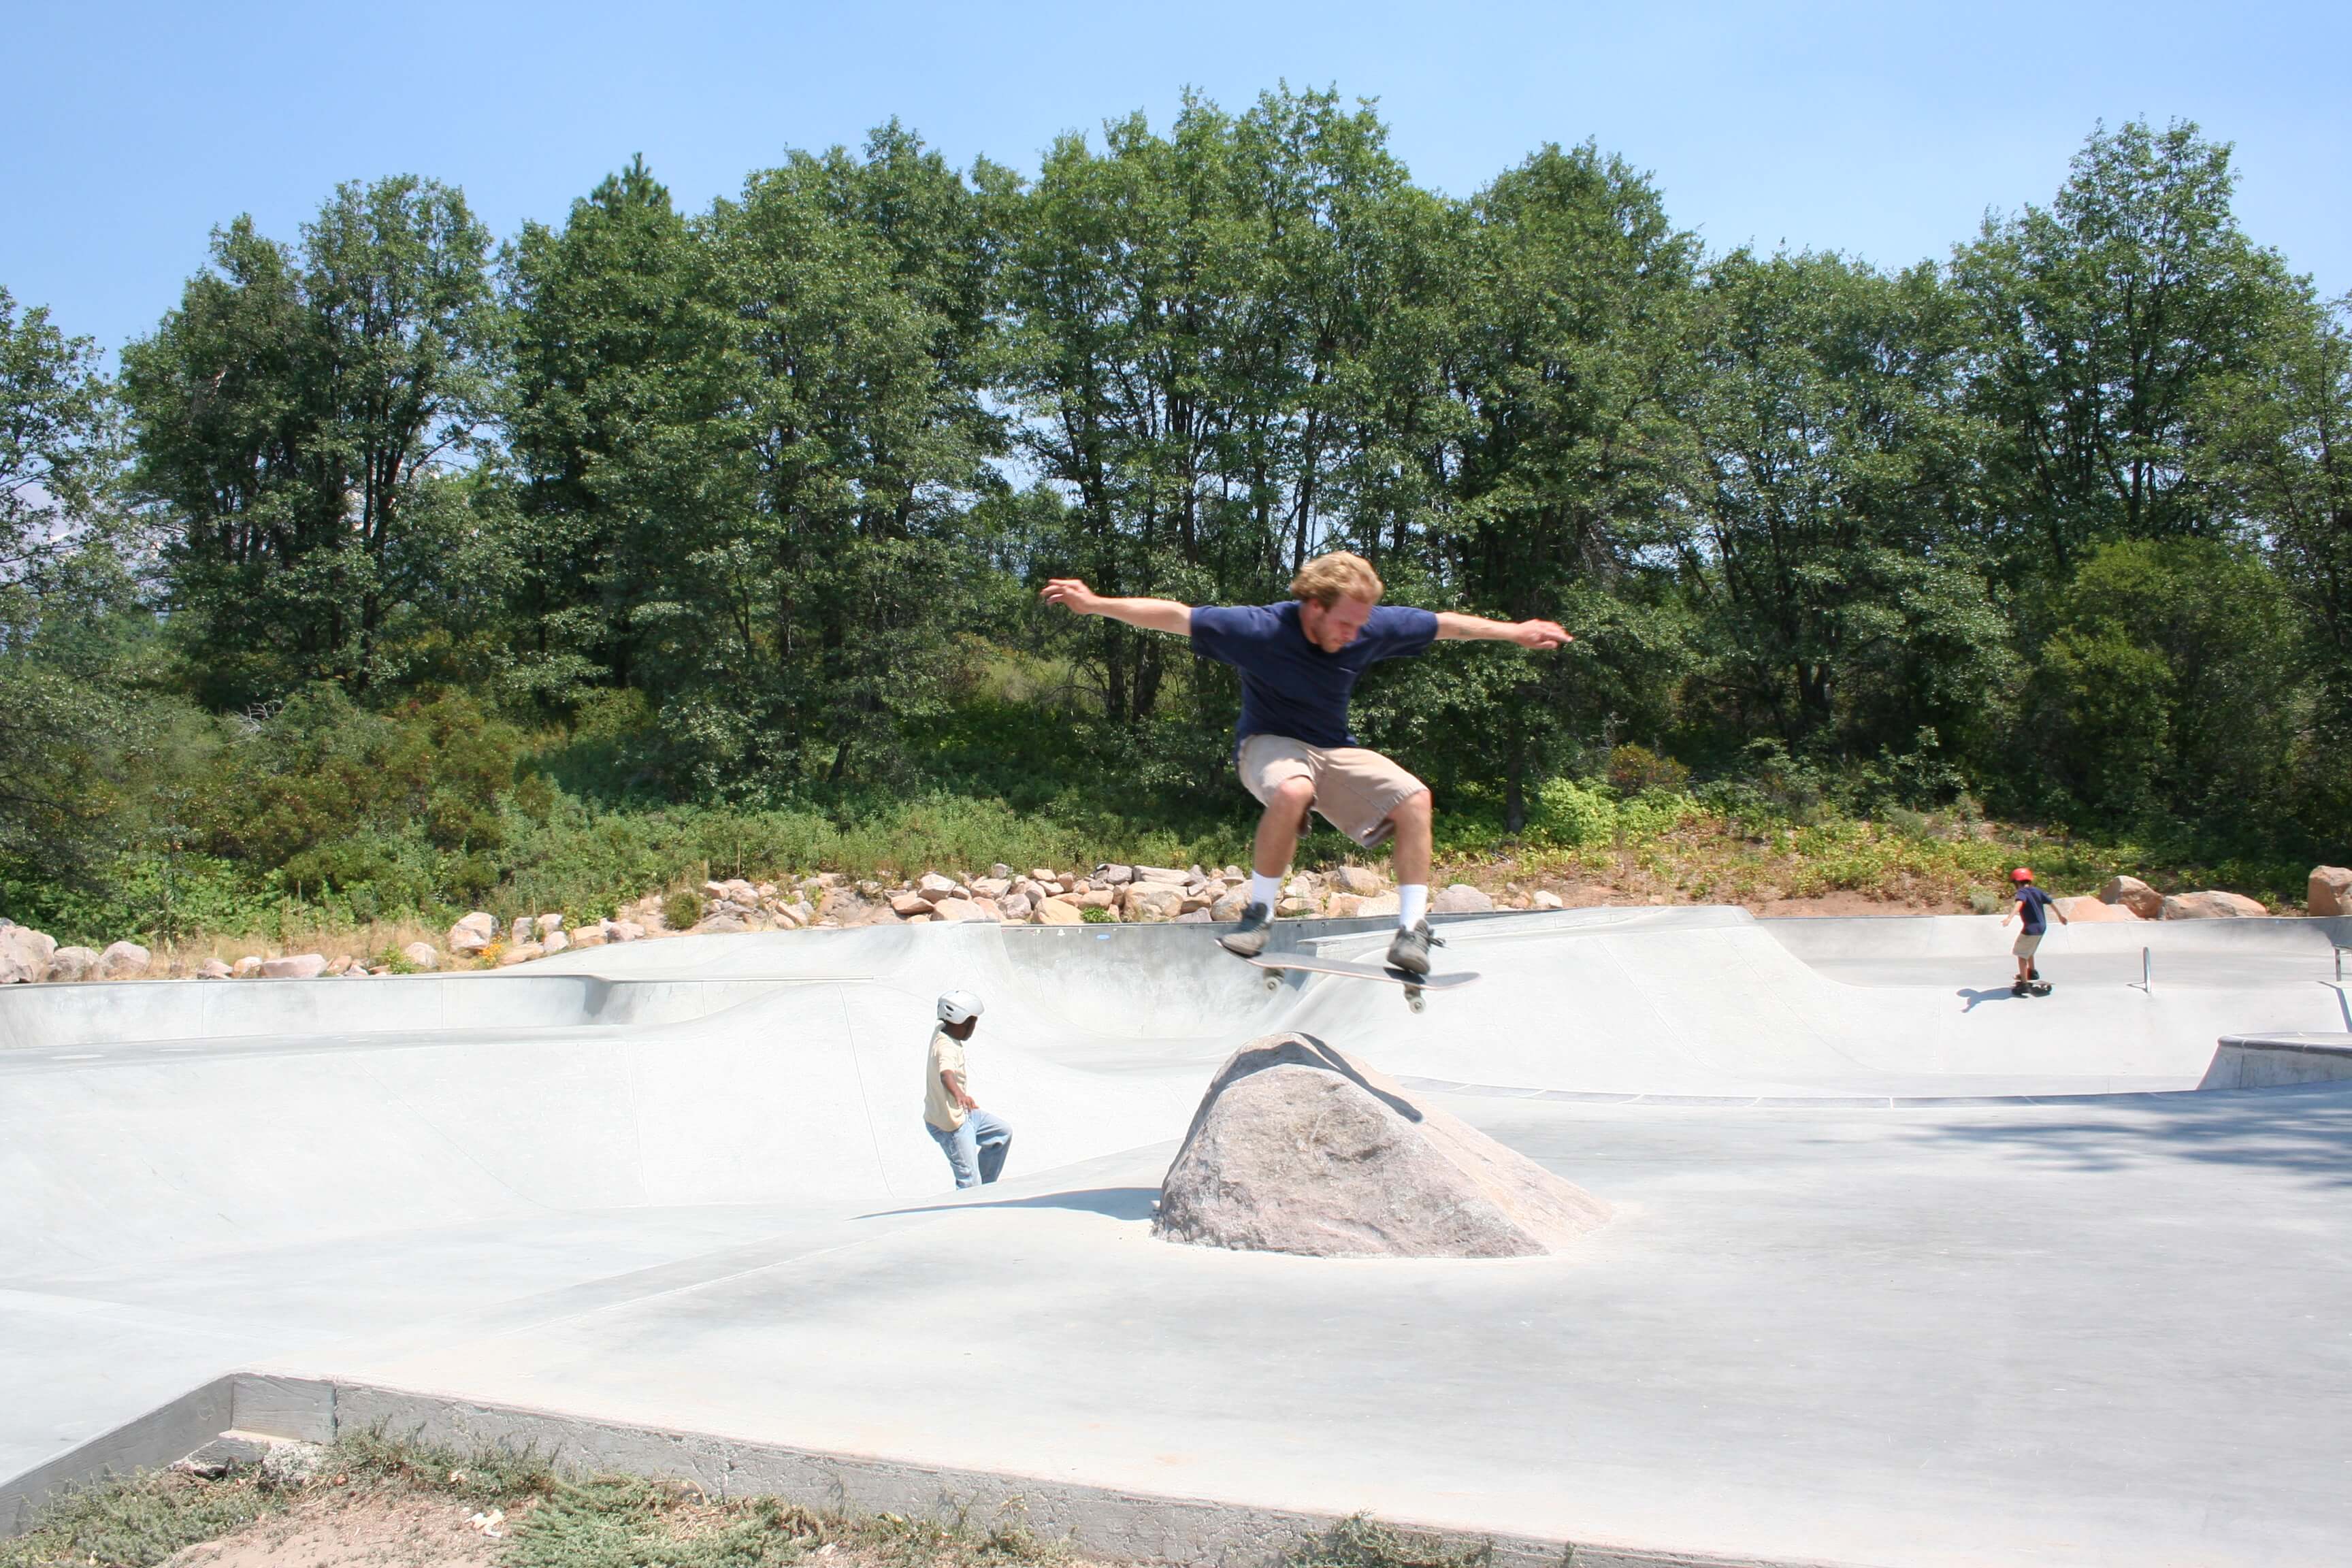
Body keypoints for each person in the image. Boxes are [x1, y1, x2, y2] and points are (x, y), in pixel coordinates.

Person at [1041, 551, 1571, 975]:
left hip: (1334, 747)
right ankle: (1259, 915)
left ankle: (1412, 931)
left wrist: (1516, 631)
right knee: (1293, 791)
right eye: (1344, 624)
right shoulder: (1259, 629)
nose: (1353, 635)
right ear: (1314, 606)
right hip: (1267, 744)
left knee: (1415, 798)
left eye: (1361, 625)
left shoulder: (1369, 625)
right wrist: (1096, 603)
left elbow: (1447, 626)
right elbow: (1177, 616)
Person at [924, 990, 1011, 1188]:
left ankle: (985, 1189)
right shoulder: (945, 1047)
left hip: (965, 1115)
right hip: (950, 1125)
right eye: (971, 1024)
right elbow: (946, 1074)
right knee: (969, 1181)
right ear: (962, 1023)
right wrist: (960, 1095)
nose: (973, 1028)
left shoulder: (943, 1029)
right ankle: (970, 1202)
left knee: (1002, 1134)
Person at [1999, 867, 2068, 994]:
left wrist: (2009, 918)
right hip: (2042, 927)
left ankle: (2024, 984)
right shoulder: (2038, 891)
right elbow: (2051, 903)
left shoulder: (2022, 893)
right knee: (2029, 951)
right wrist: (2060, 916)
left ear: (2017, 883)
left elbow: (2019, 904)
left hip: (2030, 929)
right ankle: (2032, 972)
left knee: (2021, 955)